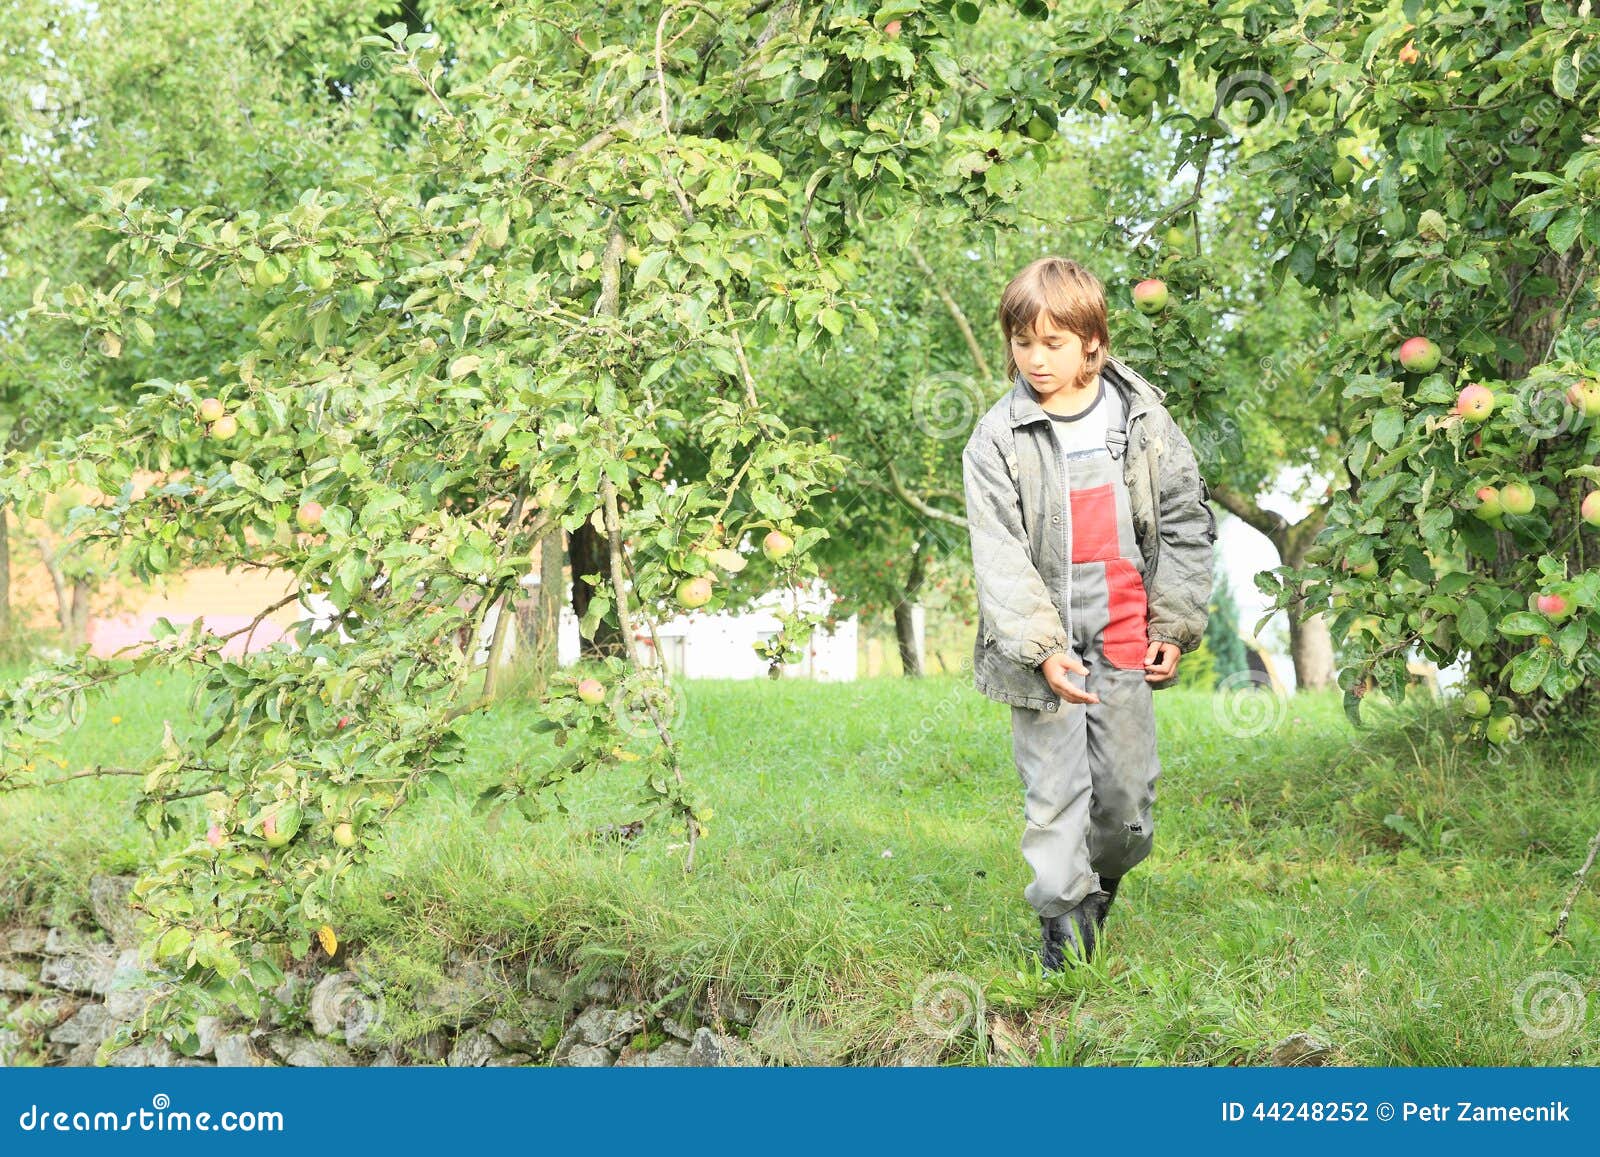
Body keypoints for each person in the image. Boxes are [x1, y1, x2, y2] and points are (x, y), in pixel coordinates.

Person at [961, 256, 1217, 973]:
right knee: (1054, 794)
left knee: (1125, 801)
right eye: (1022, 343)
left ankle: (1100, 883)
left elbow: (1185, 521)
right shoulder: (997, 437)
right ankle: (1064, 933)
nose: (1035, 359)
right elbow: (999, 556)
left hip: (1124, 626)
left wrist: (1173, 625)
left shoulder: (1141, 421)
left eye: (1053, 343)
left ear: (1093, 343)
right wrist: (1041, 646)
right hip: (1041, 636)